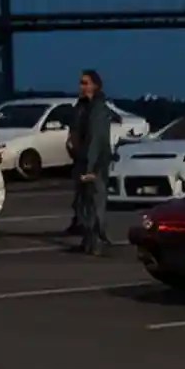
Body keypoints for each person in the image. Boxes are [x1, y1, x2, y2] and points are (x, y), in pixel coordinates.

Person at [74, 69, 113, 256]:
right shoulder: (81, 106)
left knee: (96, 200)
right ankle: (88, 239)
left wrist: (91, 167)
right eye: (81, 82)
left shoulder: (98, 108)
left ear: (95, 85)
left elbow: (96, 139)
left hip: (96, 162)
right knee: (84, 202)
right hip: (82, 159)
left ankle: (97, 240)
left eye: (85, 83)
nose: (82, 86)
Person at [64, 89, 90, 235]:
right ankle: (79, 220)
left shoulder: (88, 110)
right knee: (81, 191)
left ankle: (83, 221)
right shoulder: (80, 109)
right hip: (80, 154)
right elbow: (73, 131)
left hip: (84, 154)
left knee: (85, 191)